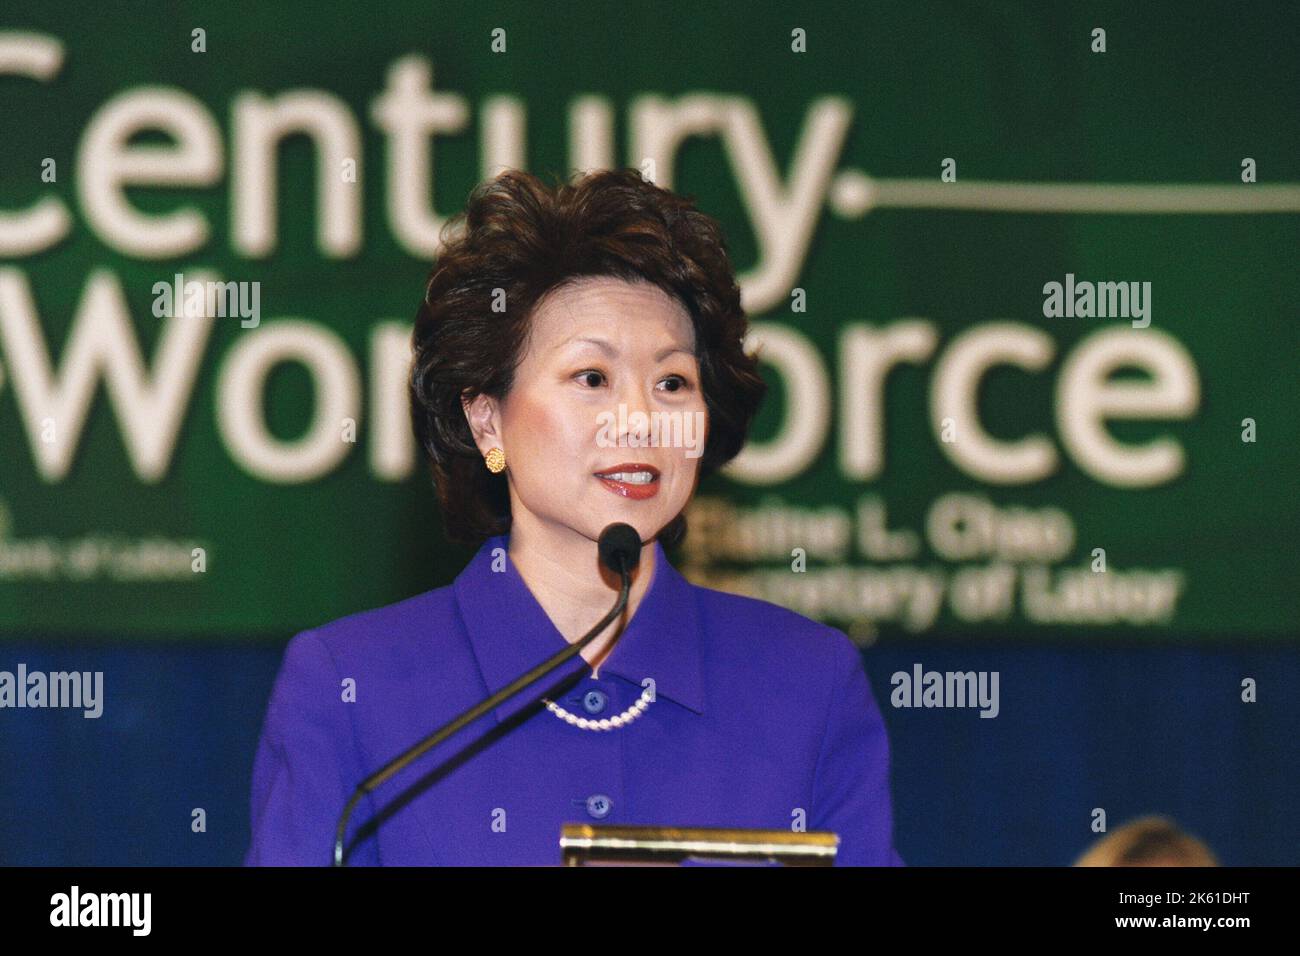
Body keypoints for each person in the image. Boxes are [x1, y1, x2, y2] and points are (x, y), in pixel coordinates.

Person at [244, 167, 903, 866]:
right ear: (487, 419)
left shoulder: (806, 683)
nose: (640, 420)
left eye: (672, 382)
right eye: (592, 378)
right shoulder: (352, 687)